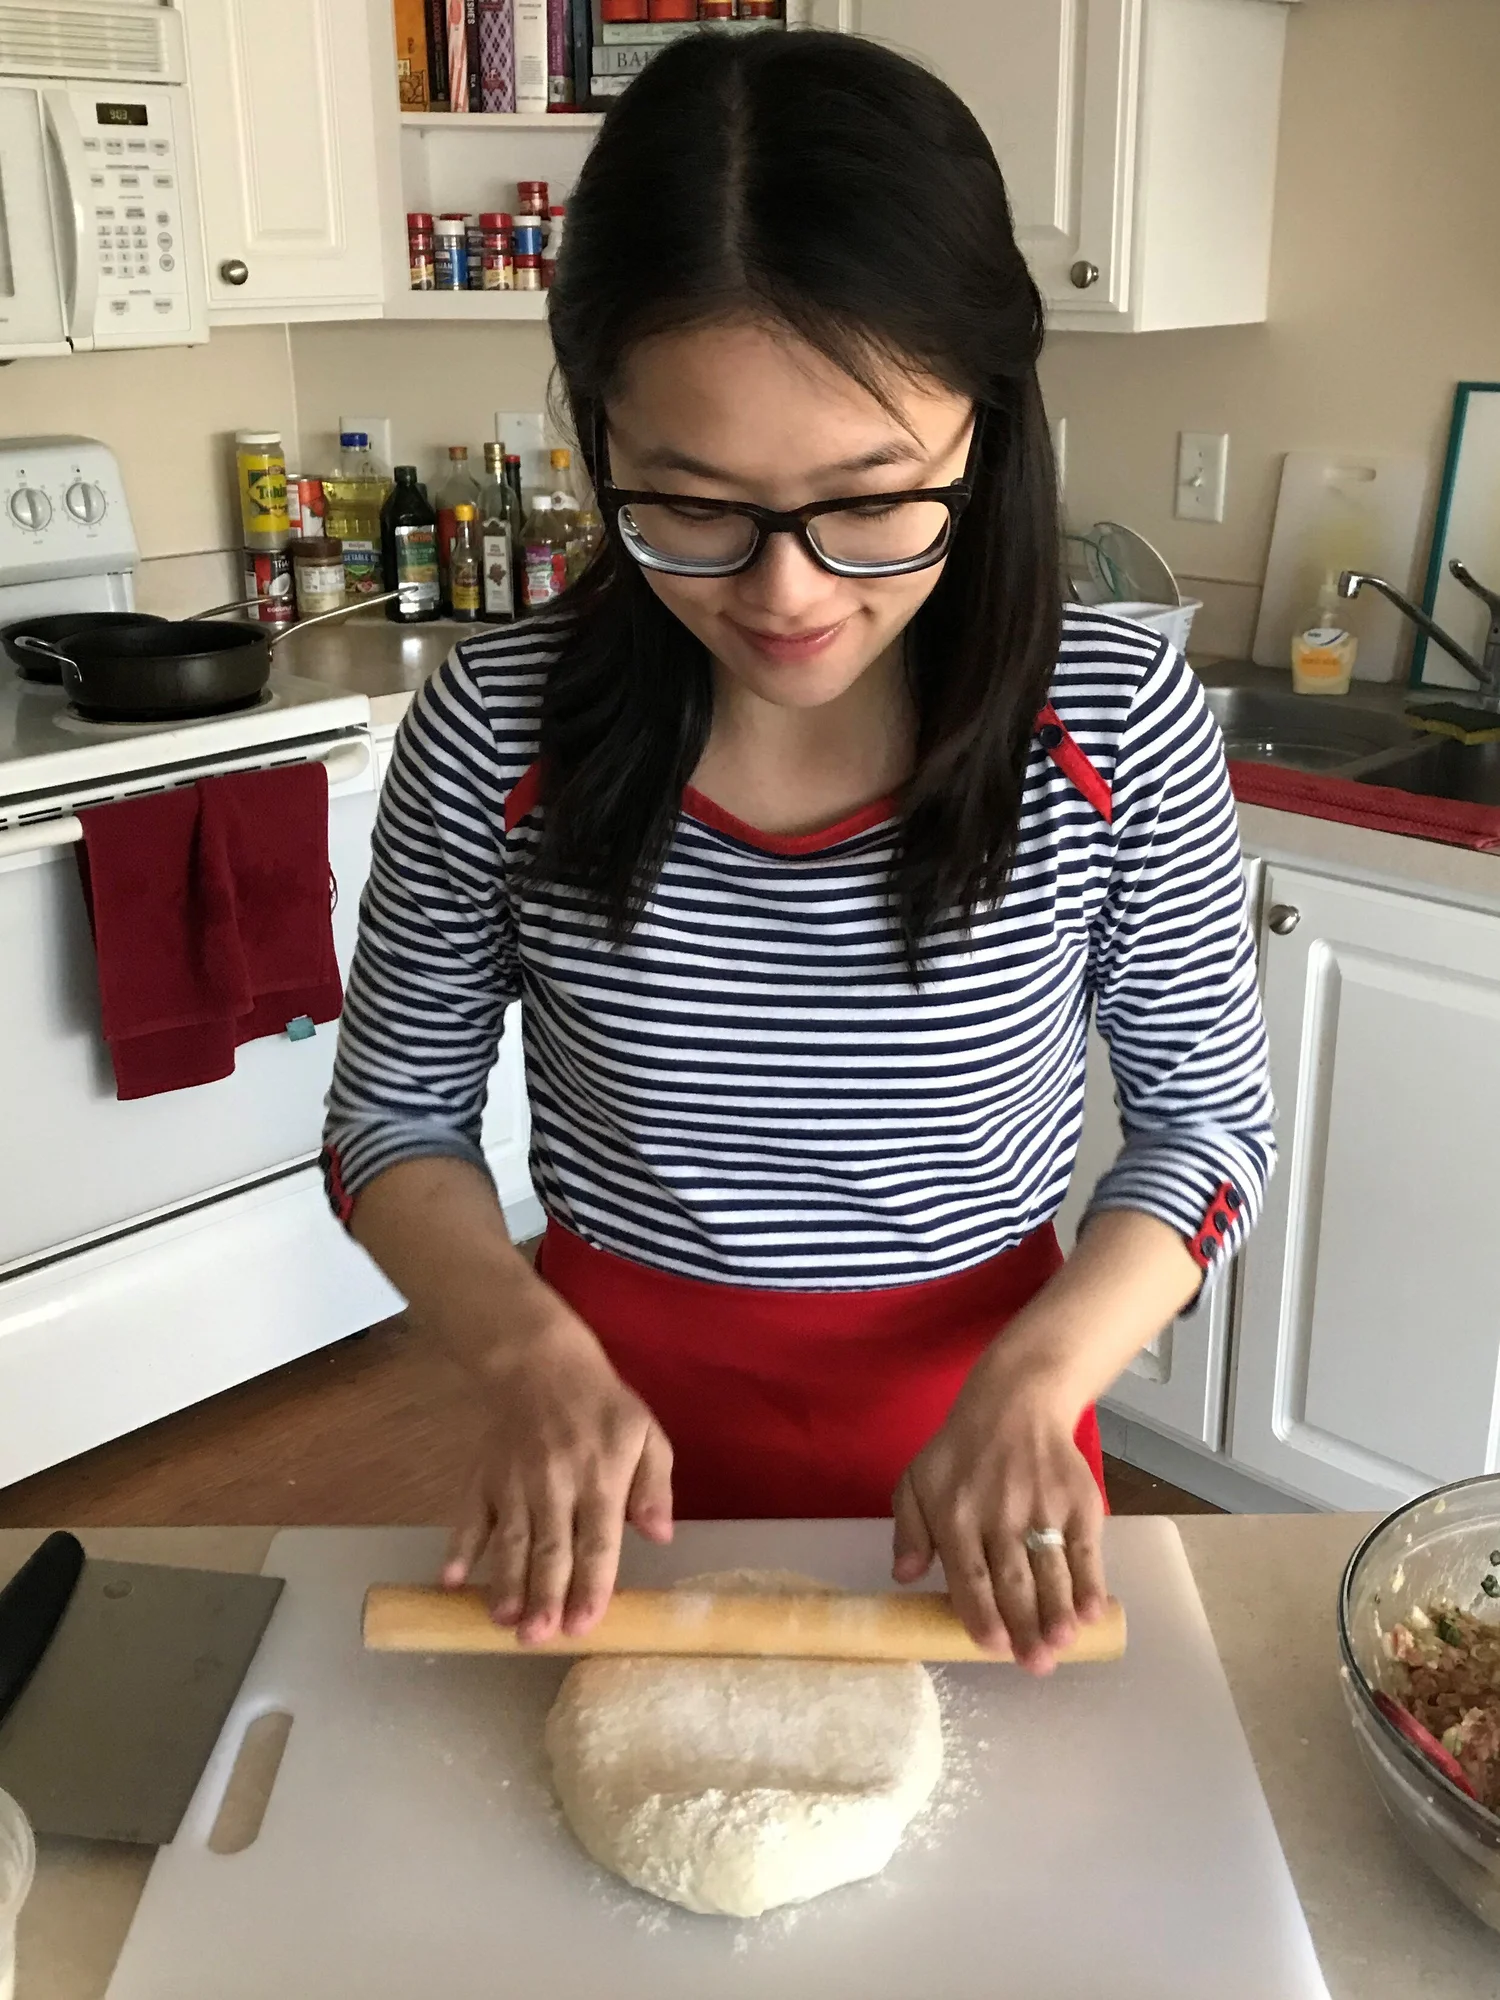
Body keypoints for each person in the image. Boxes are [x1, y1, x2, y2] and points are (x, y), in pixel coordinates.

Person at [322, 29, 1273, 1675]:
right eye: (688, 505)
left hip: (983, 1456)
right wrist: (520, 1359)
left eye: (873, 499)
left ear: (986, 424)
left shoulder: (1108, 720)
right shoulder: (501, 724)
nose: (788, 596)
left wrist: (1042, 1383)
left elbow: (1207, 1130)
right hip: (605, 1454)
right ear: (595, 430)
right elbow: (391, 1117)